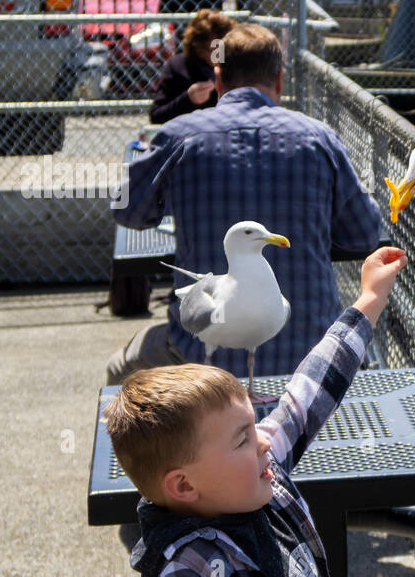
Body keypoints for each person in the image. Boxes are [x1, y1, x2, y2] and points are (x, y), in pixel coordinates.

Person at [105, 246, 409, 577]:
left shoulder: (260, 473)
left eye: (254, 425)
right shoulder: (190, 568)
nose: (265, 439)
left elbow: (308, 391)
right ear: (184, 486)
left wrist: (369, 299)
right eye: (243, 437)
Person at [107, 23, 384, 385]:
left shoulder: (179, 136)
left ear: (218, 80)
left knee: (121, 370)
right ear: (280, 81)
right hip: (312, 353)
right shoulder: (320, 139)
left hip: (207, 357)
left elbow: (127, 209)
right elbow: (365, 234)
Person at [150, 8, 237, 124]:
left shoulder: (236, 66)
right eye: (214, 51)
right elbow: (156, 117)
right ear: (198, 48)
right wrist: (188, 99)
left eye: (224, 49)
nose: (220, 56)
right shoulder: (178, 66)